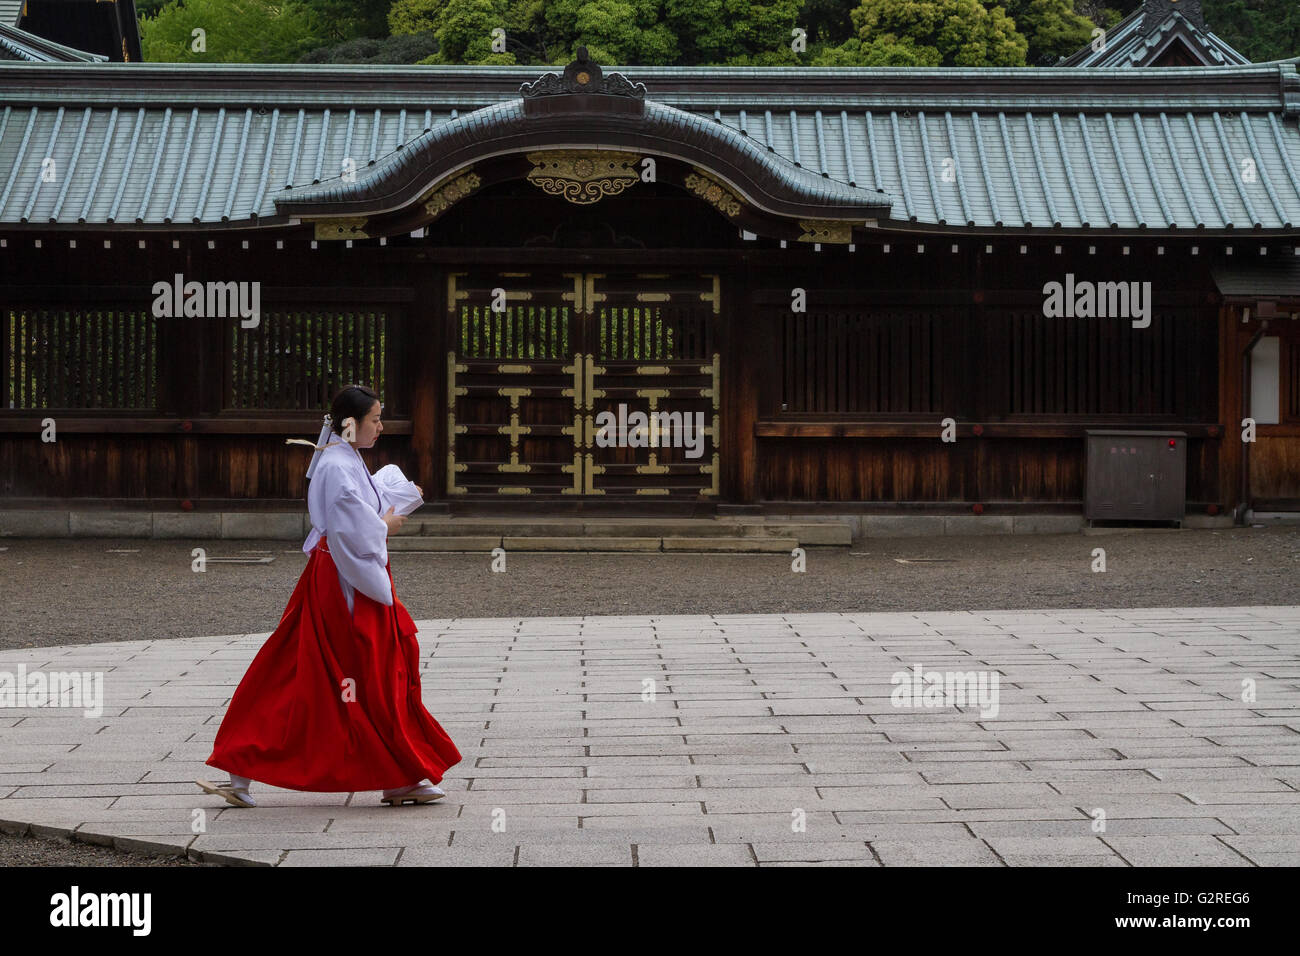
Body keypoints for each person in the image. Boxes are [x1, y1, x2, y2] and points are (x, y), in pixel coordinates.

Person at [195, 384, 461, 808]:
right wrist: (385, 525)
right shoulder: (337, 465)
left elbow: (354, 511)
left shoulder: (342, 458)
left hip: (335, 576)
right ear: (351, 424)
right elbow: (348, 529)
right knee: (369, 672)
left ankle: (243, 768)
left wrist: (392, 501)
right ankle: (398, 776)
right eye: (375, 419)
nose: (380, 426)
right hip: (345, 584)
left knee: (301, 671)